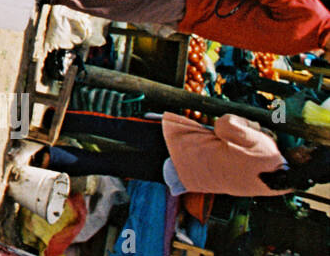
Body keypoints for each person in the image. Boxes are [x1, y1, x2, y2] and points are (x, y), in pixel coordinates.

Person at [39, 0, 330, 57]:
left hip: (193, 20)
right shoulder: (314, 15)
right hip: (197, 0)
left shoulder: (310, 44)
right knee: (118, 1)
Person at [36, 110, 330, 198]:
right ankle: (52, 158)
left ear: (307, 158)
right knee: (108, 164)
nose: (302, 146)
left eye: (308, 148)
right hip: (180, 175)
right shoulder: (282, 187)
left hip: (179, 145)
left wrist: (256, 127)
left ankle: (54, 120)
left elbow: (224, 123)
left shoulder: (268, 148)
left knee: (115, 128)